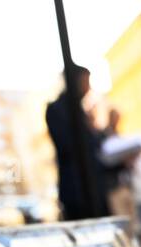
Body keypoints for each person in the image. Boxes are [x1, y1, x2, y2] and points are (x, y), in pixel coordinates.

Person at [45, 66, 109, 221]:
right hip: (76, 191)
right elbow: (70, 145)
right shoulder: (57, 109)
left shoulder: (81, 111)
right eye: (86, 82)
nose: (88, 88)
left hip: (94, 188)